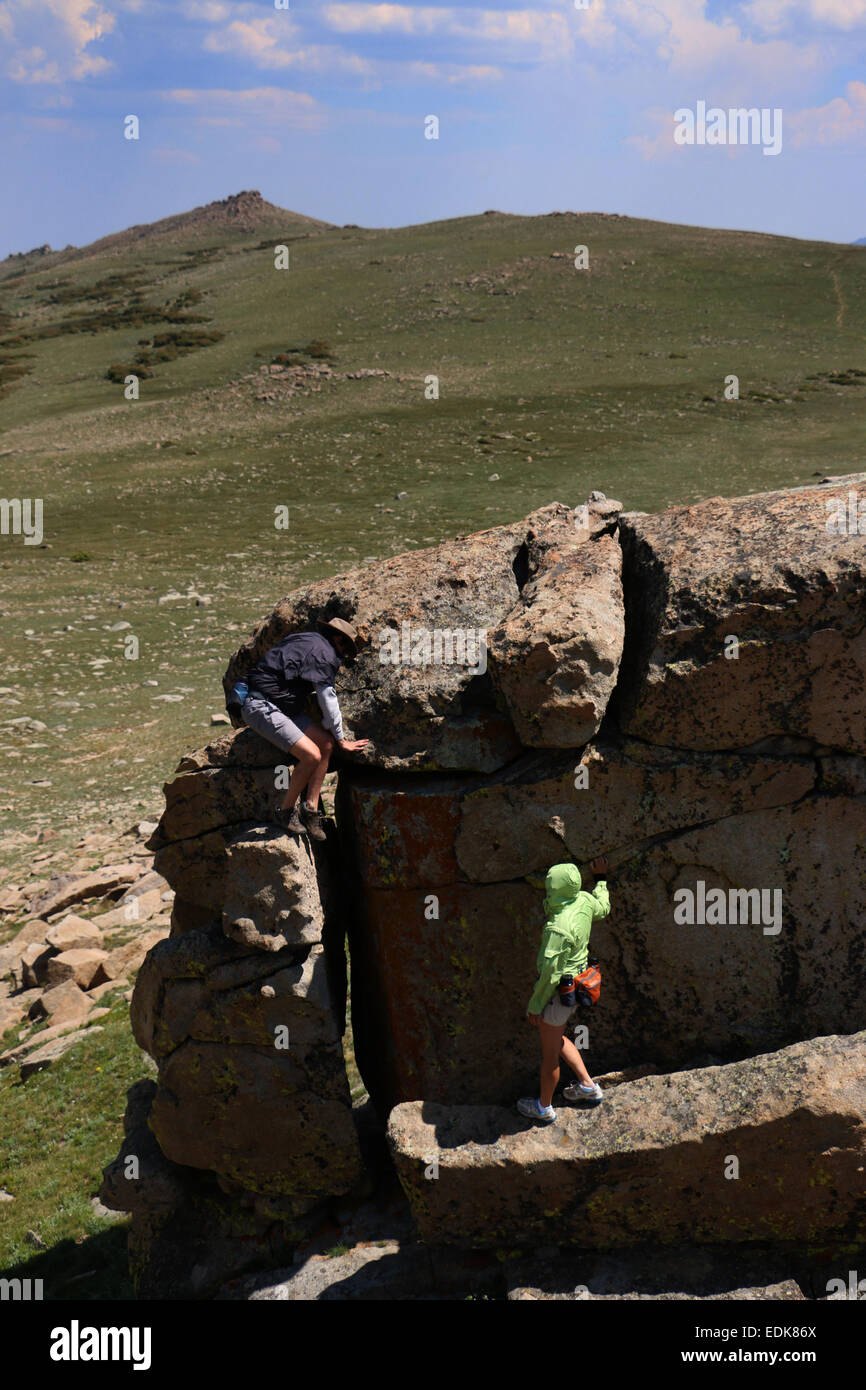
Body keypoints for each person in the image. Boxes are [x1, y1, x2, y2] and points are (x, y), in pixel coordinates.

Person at [239, 617, 369, 840]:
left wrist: (333, 739)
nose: (343, 655)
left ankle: (310, 809)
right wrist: (342, 738)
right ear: (337, 639)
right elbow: (327, 699)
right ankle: (285, 812)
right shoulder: (324, 655)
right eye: (345, 648)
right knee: (311, 755)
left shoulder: (308, 640)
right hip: (262, 705)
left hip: (281, 706)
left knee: (325, 744)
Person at [517, 856, 611, 1124]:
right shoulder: (583, 899)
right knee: (556, 1039)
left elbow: (549, 974)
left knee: (549, 1058)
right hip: (580, 983)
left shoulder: (557, 928)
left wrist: (535, 1006)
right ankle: (587, 1086)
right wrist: (601, 879)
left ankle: (544, 1107)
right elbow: (603, 907)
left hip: (557, 996)